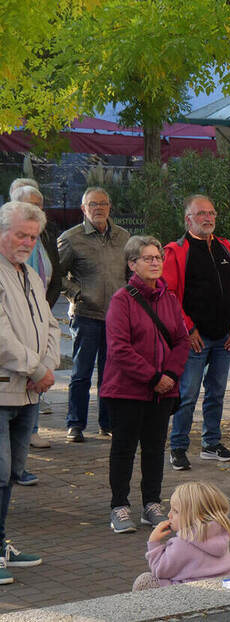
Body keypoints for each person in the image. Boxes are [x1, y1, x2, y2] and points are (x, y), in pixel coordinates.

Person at [102, 236, 190, 534]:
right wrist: (154, 377)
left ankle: (152, 503)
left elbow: (181, 340)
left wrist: (170, 376)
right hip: (127, 389)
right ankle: (119, 505)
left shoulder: (169, 299)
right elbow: (119, 348)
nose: (155, 263)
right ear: (132, 264)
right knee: (124, 449)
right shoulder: (121, 300)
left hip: (162, 390)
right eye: (148, 258)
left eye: (158, 258)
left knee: (154, 448)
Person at [0, 201, 58, 585]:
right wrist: (37, 368)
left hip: (28, 392)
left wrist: (47, 367)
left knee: (10, 474)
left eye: (33, 237)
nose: (28, 242)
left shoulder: (31, 274)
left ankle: (0, 542)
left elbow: (52, 324)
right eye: (21, 234)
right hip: (5, 390)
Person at [162, 195, 230, 472]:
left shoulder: (228, 249)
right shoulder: (176, 251)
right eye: (201, 214)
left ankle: (211, 444)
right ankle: (179, 446)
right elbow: (169, 295)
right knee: (187, 394)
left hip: (224, 337)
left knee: (217, 392)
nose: (207, 218)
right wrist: (188, 329)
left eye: (211, 213)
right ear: (188, 219)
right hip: (194, 337)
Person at [59, 186, 131, 442]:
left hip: (116, 317)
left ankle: (107, 423)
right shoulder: (71, 238)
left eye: (103, 203)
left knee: (111, 374)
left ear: (110, 206)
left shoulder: (123, 237)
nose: (98, 208)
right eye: (93, 204)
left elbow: (131, 272)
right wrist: (77, 293)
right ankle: (75, 424)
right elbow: (55, 276)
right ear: (83, 209)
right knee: (81, 372)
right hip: (86, 315)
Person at [9, 184, 58, 469]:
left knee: (13, 469)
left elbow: (57, 273)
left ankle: (32, 432)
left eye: (39, 206)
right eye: (30, 206)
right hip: (8, 373)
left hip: (41, 316)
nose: (28, 240)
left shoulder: (42, 242)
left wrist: (46, 368)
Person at [132, 481, 230, 591]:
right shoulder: (219, 534)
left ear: (198, 516)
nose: (169, 515)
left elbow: (159, 571)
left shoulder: (183, 544)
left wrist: (153, 542)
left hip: (191, 596)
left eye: (176, 511)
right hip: (218, 590)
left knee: (145, 581)